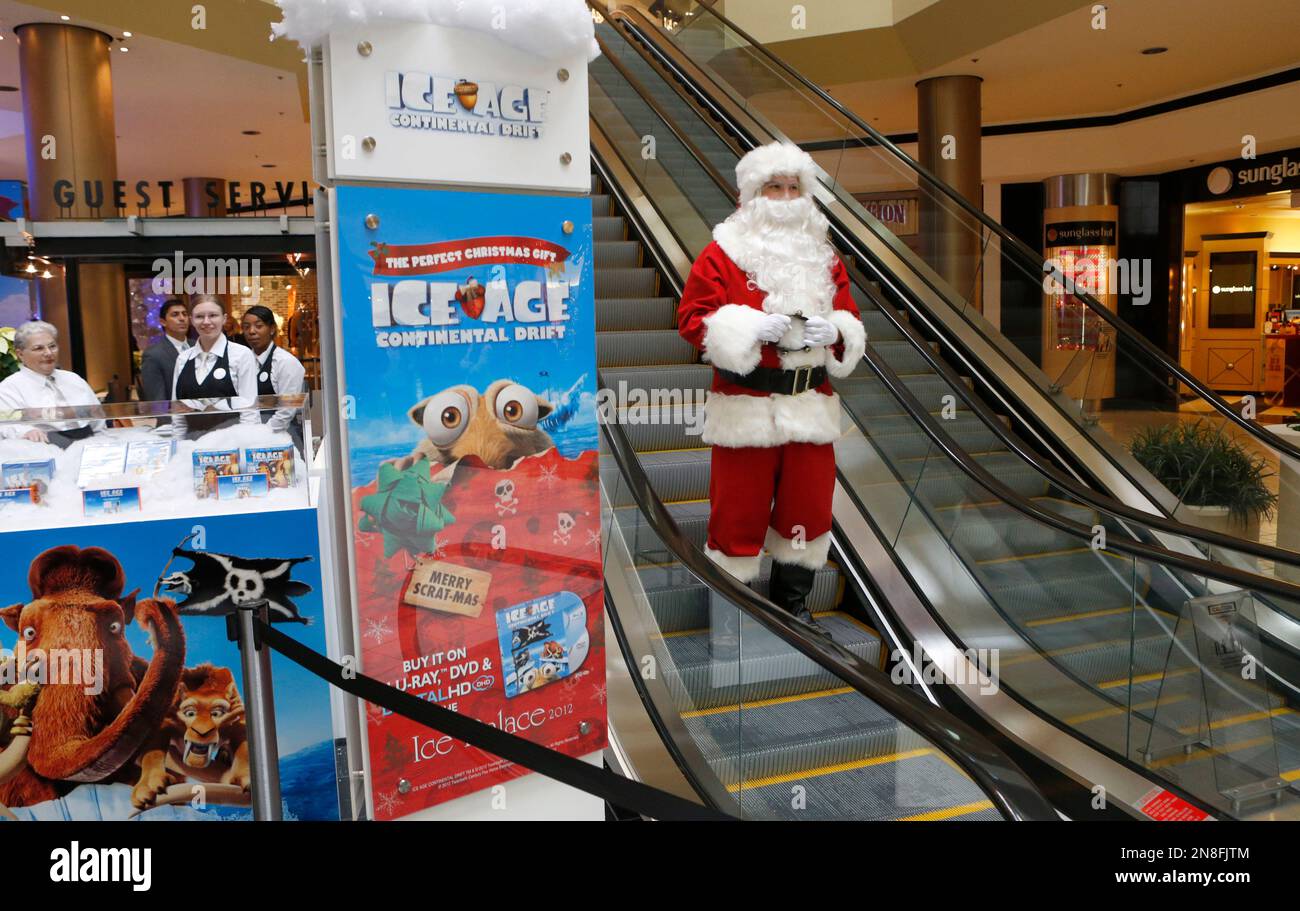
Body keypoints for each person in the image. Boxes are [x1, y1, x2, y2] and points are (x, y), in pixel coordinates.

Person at [676, 142, 867, 632]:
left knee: (807, 509)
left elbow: (849, 316)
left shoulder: (824, 256)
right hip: (747, 406)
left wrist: (839, 332)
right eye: (774, 188)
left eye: (793, 188)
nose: (785, 198)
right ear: (752, 195)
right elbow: (691, 319)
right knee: (737, 511)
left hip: (811, 405)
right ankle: (732, 607)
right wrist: (743, 327)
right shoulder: (723, 253)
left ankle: (793, 607)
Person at [0, 320, 106, 447]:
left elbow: (98, 421)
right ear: (20, 354)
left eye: (52, 346)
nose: (48, 353)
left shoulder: (74, 379)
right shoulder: (9, 388)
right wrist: (27, 432)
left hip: (89, 445)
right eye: (38, 348)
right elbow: (6, 426)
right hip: (42, 450)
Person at [170, 296, 259, 439]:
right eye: (199, 316)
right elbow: (178, 414)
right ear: (192, 320)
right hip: (191, 444)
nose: (206, 322)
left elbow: (249, 411)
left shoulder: (241, 355)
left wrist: (245, 446)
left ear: (224, 319)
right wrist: (177, 445)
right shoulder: (183, 359)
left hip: (230, 446)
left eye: (213, 315)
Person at [241, 305, 307, 450]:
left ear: (271, 329)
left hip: (282, 439)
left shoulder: (286, 362)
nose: (252, 331)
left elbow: (287, 410)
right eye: (246, 327)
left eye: (258, 326)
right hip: (249, 440)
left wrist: (262, 435)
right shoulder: (242, 362)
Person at [139, 297, 190, 405]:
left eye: (184, 314)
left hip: (206, 417)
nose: (182, 318)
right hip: (174, 419)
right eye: (175, 314)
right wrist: (167, 422)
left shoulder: (200, 346)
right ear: (163, 322)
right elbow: (157, 400)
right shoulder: (153, 354)